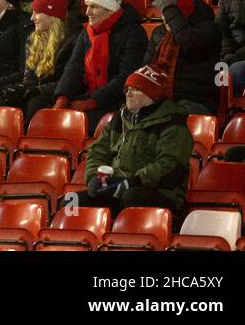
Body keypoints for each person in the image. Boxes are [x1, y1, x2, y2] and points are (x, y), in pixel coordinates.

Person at [77, 65, 193, 215]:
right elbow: (98, 151)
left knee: (130, 198)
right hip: (116, 186)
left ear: (151, 96)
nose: (128, 94)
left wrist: (132, 182)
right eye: (127, 89)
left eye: (136, 89)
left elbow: (168, 167)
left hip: (158, 193)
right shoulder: (119, 118)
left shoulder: (173, 124)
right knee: (71, 201)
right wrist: (94, 177)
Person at [55, 0, 149, 124]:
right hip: (90, 94)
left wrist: (93, 101)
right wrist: (63, 96)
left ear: (110, 10)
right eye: (88, 6)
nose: (88, 13)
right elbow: (74, 67)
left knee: (85, 121)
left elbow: (126, 77)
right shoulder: (87, 32)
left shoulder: (133, 33)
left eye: (94, 7)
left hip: (119, 98)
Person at [2, 0, 75, 121]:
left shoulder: (71, 42)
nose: (32, 18)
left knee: (35, 103)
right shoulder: (33, 38)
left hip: (54, 95)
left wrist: (34, 91)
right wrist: (20, 89)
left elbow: (66, 81)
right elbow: (28, 78)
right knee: (2, 100)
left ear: (52, 16)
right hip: (36, 91)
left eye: (37, 13)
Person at [144, 0, 221, 114]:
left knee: (163, 115)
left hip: (196, 101)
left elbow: (189, 43)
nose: (165, 19)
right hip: (161, 99)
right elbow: (146, 67)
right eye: (164, 13)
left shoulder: (209, 30)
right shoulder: (159, 33)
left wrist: (170, 11)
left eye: (168, 14)